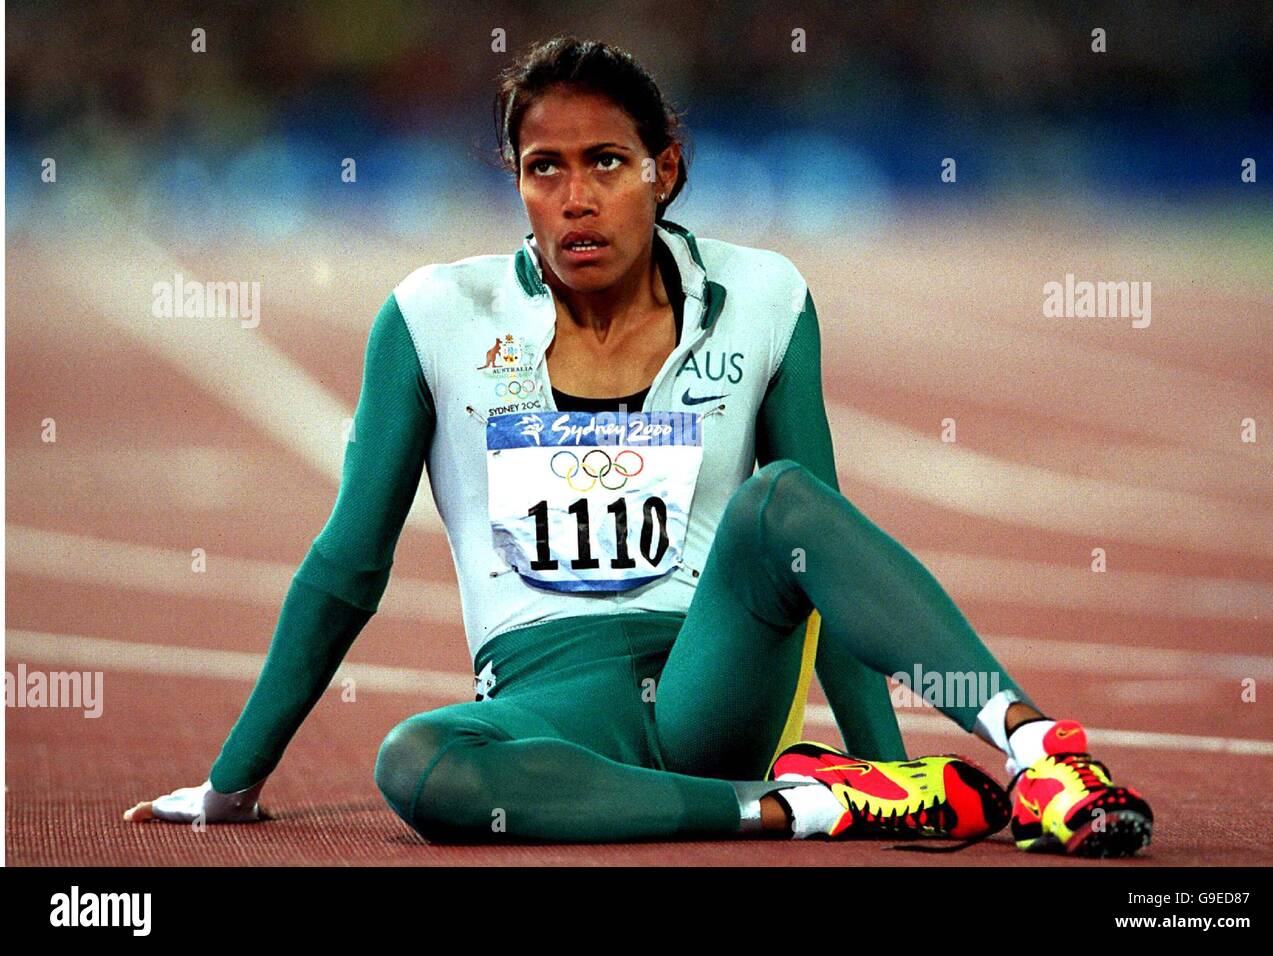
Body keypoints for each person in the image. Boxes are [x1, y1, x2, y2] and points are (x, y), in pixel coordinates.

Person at [126, 36, 1152, 855]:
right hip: (550, 709)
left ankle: (1033, 748)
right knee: (419, 761)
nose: (576, 197)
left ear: (664, 168)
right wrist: (233, 782)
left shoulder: (762, 296)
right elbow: (349, 561)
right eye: (544, 169)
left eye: (606, 162)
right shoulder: (434, 313)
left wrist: (896, 773)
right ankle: (792, 808)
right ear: (517, 183)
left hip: (715, 676)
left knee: (784, 496)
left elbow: (825, 561)